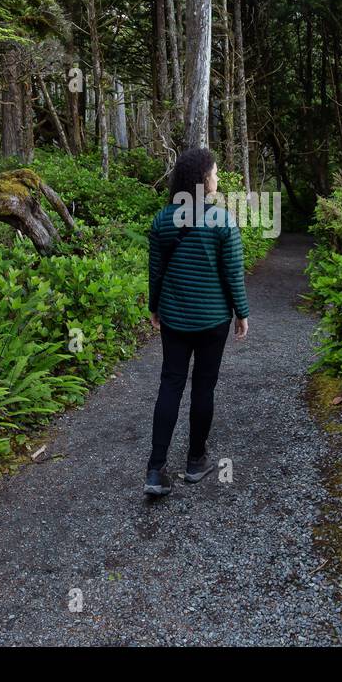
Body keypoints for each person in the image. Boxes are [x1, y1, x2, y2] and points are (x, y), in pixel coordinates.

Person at [144, 147, 249, 497]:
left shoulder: (162, 220)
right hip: (212, 320)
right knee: (203, 387)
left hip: (174, 317)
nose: (218, 178)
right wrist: (242, 312)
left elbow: (155, 272)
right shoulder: (222, 221)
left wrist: (154, 307)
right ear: (202, 180)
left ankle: (156, 470)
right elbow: (233, 273)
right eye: (215, 173)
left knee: (170, 383)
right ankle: (195, 461)